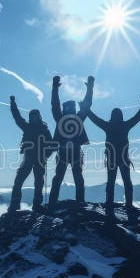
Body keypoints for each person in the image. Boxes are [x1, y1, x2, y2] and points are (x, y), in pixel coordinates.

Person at [87, 97, 140, 209]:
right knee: (127, 182)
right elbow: (138, 117)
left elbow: (95, 119)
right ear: (121, 116)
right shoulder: (125, 125)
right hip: (124, 159)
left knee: (110, 182)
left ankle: (109, 202)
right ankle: (129, 204)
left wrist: (87, 110)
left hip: (111, 159)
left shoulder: (107, 126)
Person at [48, 75, 94, 211]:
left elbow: (55, 105)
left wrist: (55, 87)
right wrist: (90, 87)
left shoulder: (60, 118)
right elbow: (87, 105)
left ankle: (52, 203)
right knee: (77, 178)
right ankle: (80, 204)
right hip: (75, 153)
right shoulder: (78, 118)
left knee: (59, 178)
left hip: (63, 153)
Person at [8, 96, 54, 212]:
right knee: (33, 183)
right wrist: (13, 103)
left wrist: (46, 155)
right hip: (37, 159)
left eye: (34, 116)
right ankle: (35, 206)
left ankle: (16, 206)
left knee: (26, 182)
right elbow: (17, 117)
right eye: (32, 116)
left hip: (32, 158)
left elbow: (17, 118)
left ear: (38, 117)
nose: (33, 118)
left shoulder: (29, 128)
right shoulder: (44, 130)